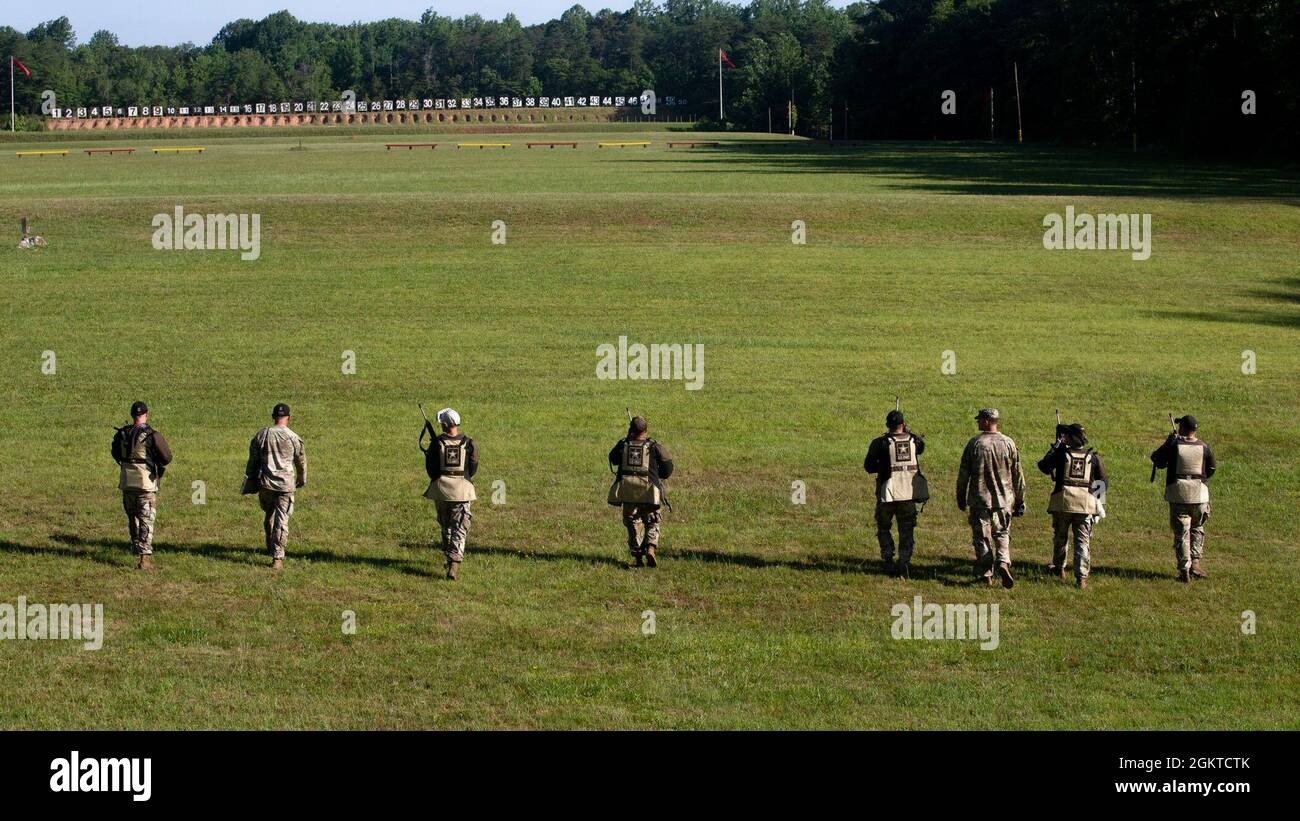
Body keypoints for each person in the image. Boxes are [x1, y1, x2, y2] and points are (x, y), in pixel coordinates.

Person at [956, 408, 1026, 588]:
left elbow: (964, 474)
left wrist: (960, 496)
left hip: (980, 499)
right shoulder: (1009, 443)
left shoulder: (975, 444)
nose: (978, 422)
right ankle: (1003, 562)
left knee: (982, 537)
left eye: (980, 420)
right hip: (1004, 499)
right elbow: (1017, 474)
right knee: (1002, 533)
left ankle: (987, 574)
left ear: (987, 421)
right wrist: (1020, 498)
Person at [1036, 422, 1107, 588]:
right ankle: (1081, 577)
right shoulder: (1094, 458)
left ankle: (1059, 568)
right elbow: (1102, 482)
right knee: (1082, 542)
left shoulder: (1061, 455)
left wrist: (1055, 447)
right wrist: (1098, 506)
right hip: (1085, 505)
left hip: (1063, 503)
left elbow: (1044, 466)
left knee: (1060, 538)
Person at [1150, 415, 1216, 582]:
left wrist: (1168, 442)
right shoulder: (1204, 447)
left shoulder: (1174, 444)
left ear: (1183, 428)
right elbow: (1211, 468)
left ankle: (1184, 569)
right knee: (1197, 528)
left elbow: (1158, 460)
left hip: (1179, 493)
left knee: (1182, 532)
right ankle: (1196, 564)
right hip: (1200, 494)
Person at [864, 409, 927, 579]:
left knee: (884, 527)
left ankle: (888, 559)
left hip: (887, 493)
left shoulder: (880, 443)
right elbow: (921, 447)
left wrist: (884, 467)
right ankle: (904, 563)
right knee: (906, 529)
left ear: (887, 425)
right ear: (903, 425)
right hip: (908, 494)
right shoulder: (914, 441)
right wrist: (910, 433)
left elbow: (869, 467)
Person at [242, 403, 306, 570]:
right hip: (285, 485)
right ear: (289, 418)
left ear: (273, 417)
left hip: (266, 484)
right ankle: (277, 557)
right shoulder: (293, 437)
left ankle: (270, 544)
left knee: (269, 515)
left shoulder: (262, 435)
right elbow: (300, 460)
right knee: (282, 519)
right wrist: (301, 477)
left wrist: (250, 480)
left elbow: (253, 461)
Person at [111, 400, 173, 570]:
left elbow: (115, 453)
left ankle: (134, 545)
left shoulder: (122, 434)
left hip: (127, 482)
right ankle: (144, 558)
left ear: (132, 415)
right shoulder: (152, 435)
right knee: (146, 520)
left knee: (133, 517)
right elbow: (167, 457)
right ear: (146, 414)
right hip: (145, 483)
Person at [608, 416, 673, 568]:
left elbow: (613, 459)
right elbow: (668, 469)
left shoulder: (623, 445)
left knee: (632, 524)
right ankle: (651, 547)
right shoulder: (654, 447)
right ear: (646, 430)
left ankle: (637, 558)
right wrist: (657, 475)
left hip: (629, 492)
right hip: (649, 492)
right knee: (652, 520)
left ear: (631, 429)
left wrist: (626, 440)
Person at [422, 407, 478, 581]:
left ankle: (449, 557)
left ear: (445, 425)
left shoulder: (436, 443)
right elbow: (473, 468)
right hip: (462, 491)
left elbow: (430, 469)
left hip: (441, 491)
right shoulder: (469, 443)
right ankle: (453, 564)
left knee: (445, 526)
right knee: (459, 528)